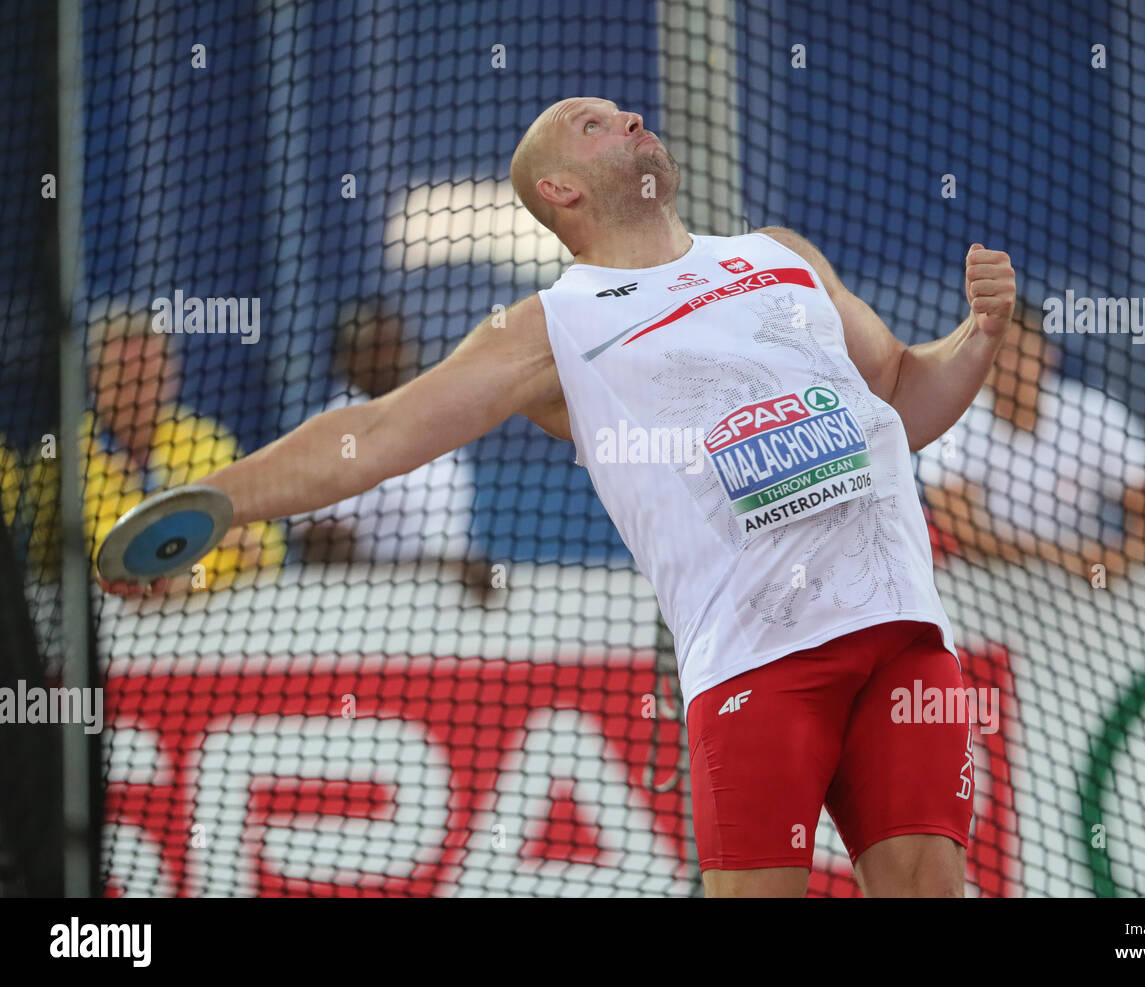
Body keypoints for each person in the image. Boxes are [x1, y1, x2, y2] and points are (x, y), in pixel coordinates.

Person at [103, 98, 1018, 897]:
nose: (628, 118)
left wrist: (975, 337)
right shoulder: (554, 324)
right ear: (561, 192)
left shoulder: (778, 256)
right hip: (757, 662)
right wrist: (217, 500)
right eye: (593, 123)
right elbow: (375, 433)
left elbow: (899, 392)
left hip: (902, 634)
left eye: (622, 111)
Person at [40, 304, 285, 592]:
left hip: (210, 615)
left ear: (170, 375)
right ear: (95, 380)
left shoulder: (204, 440)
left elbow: (264, 549)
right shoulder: (69, 452)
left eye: (148, 376)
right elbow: (111, 561)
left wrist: (189, 581)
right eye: (124, 377)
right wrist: (206, 556)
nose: (137, 391)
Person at [917, 301, 1145, 579]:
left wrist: (1121, 557)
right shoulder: (953, 423)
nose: (1009, 365)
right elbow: (957, 524)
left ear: (1048, 355)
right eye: (996, 353)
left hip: (1087, 580)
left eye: (1019, 351)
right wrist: (1061, 556)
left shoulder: (1096, 412)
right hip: (986, 578)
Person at [286, 300, 489, 593]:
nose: (392, 357)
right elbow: (324, 545)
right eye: (377, 348)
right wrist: (426, 571)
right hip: (362, 604)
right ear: (348, 359)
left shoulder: (438, 420)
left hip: (449, 602)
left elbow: (453, 539)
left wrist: (459, 568)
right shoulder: (333, 428)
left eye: (397, 344)